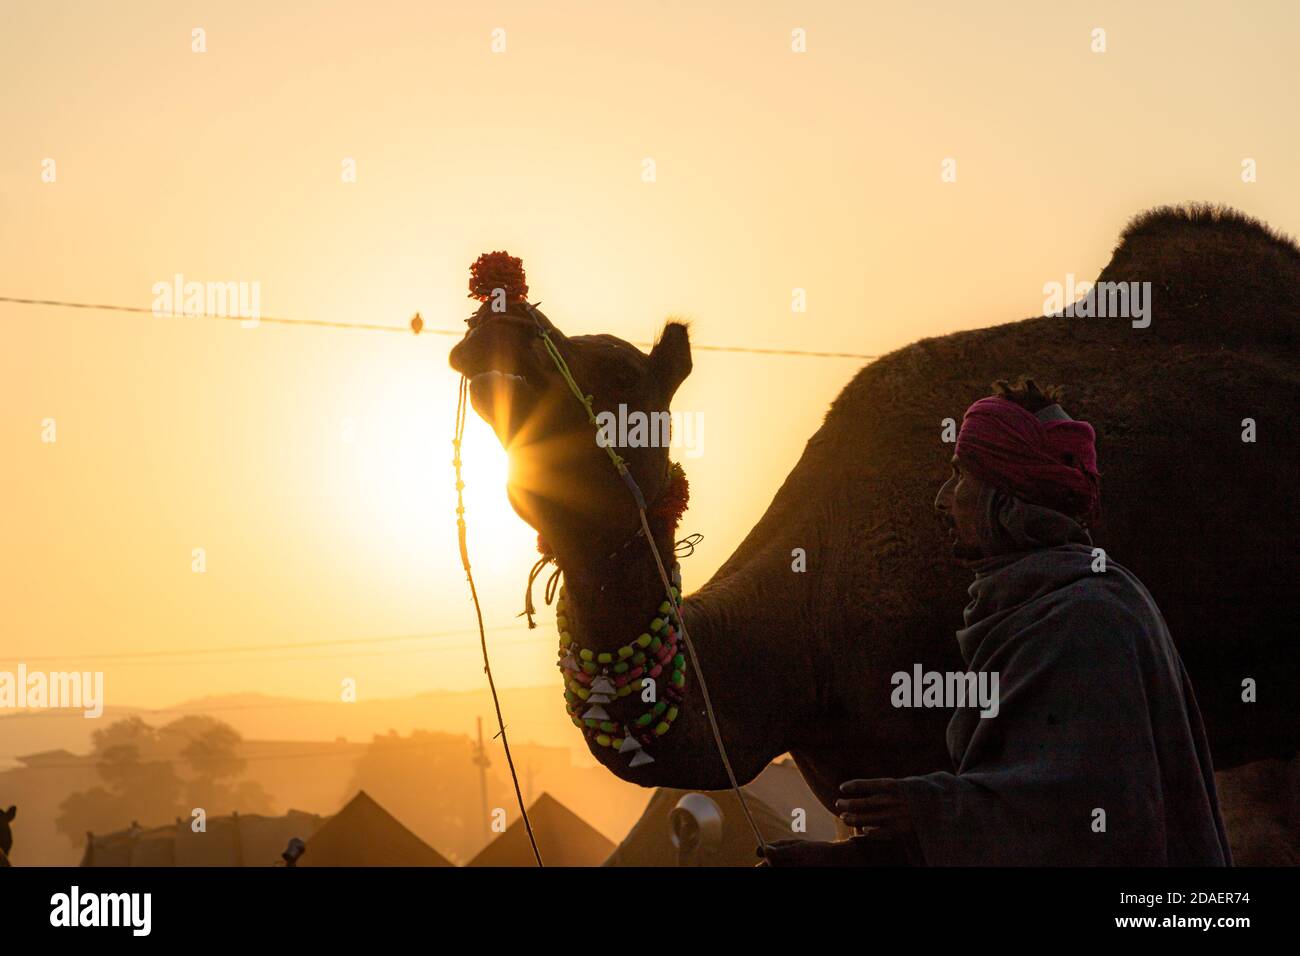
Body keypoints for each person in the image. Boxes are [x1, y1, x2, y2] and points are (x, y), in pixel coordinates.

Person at [764, 379, 1231, 866]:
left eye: (961, 477)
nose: (942, 500)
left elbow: (1095, 823)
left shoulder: (1093, 618)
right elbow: (1010, 827)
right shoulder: (1033, 610)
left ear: (1005, 493)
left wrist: (927, 806)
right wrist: (838, 862)